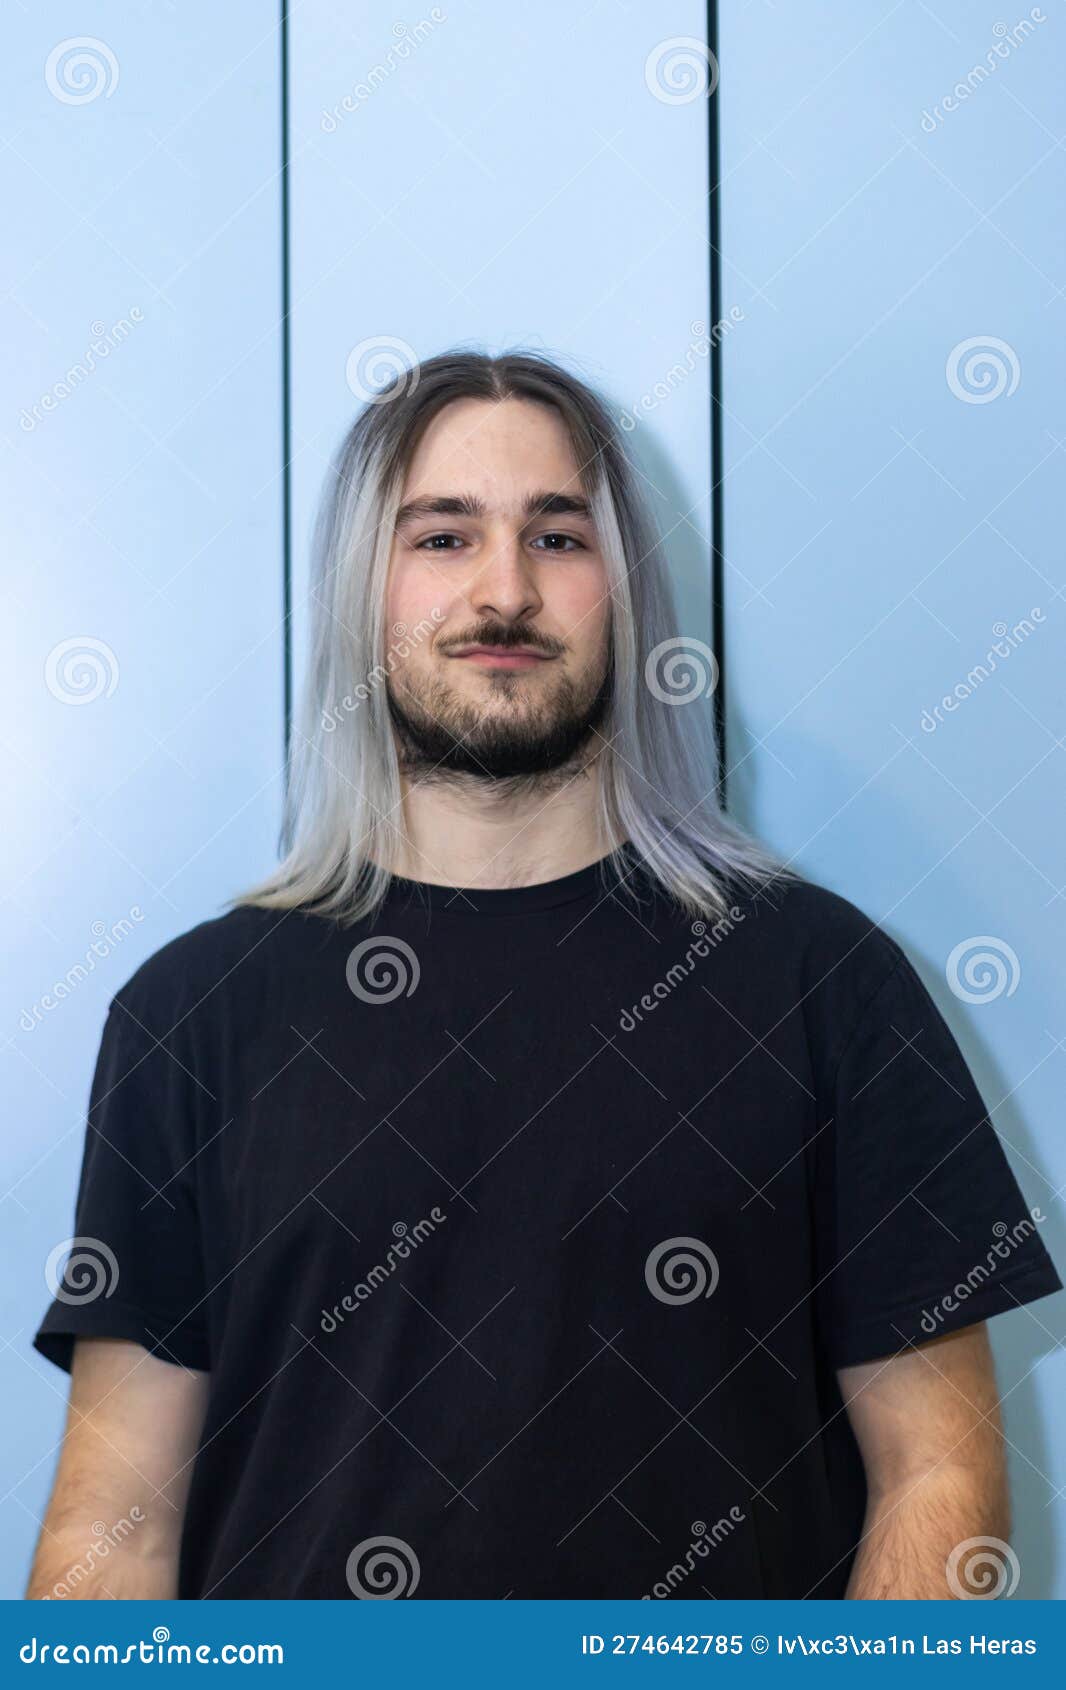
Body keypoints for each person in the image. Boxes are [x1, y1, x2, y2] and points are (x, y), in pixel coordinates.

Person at [28, 352, 1060, 1600]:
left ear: (627, 593)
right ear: (362, 591)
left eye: (559, 537)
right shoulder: (191, 1013)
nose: (505, 590)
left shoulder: (827, 983)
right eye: (444, 536)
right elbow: (113, 1526)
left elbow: (938, 1480)